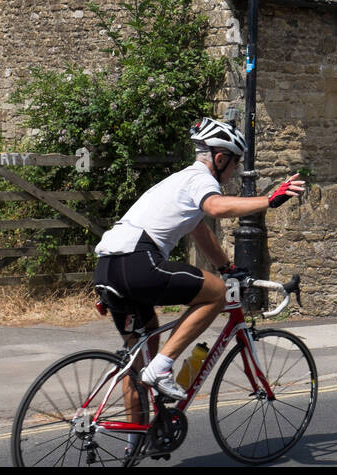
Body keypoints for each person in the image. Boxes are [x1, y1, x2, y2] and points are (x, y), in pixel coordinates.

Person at [92, 117, 305, 401]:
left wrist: (227, 267)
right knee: (216, 293)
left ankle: (138, 442)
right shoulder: (199, 179)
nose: (236, 169)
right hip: (137, 260)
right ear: (219, 158)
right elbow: (215, 208)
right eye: (235, 162)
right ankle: (163, 368)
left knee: (141, 359)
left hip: (107, 268)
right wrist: (269, 200)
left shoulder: (178, 182)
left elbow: (200, 230)